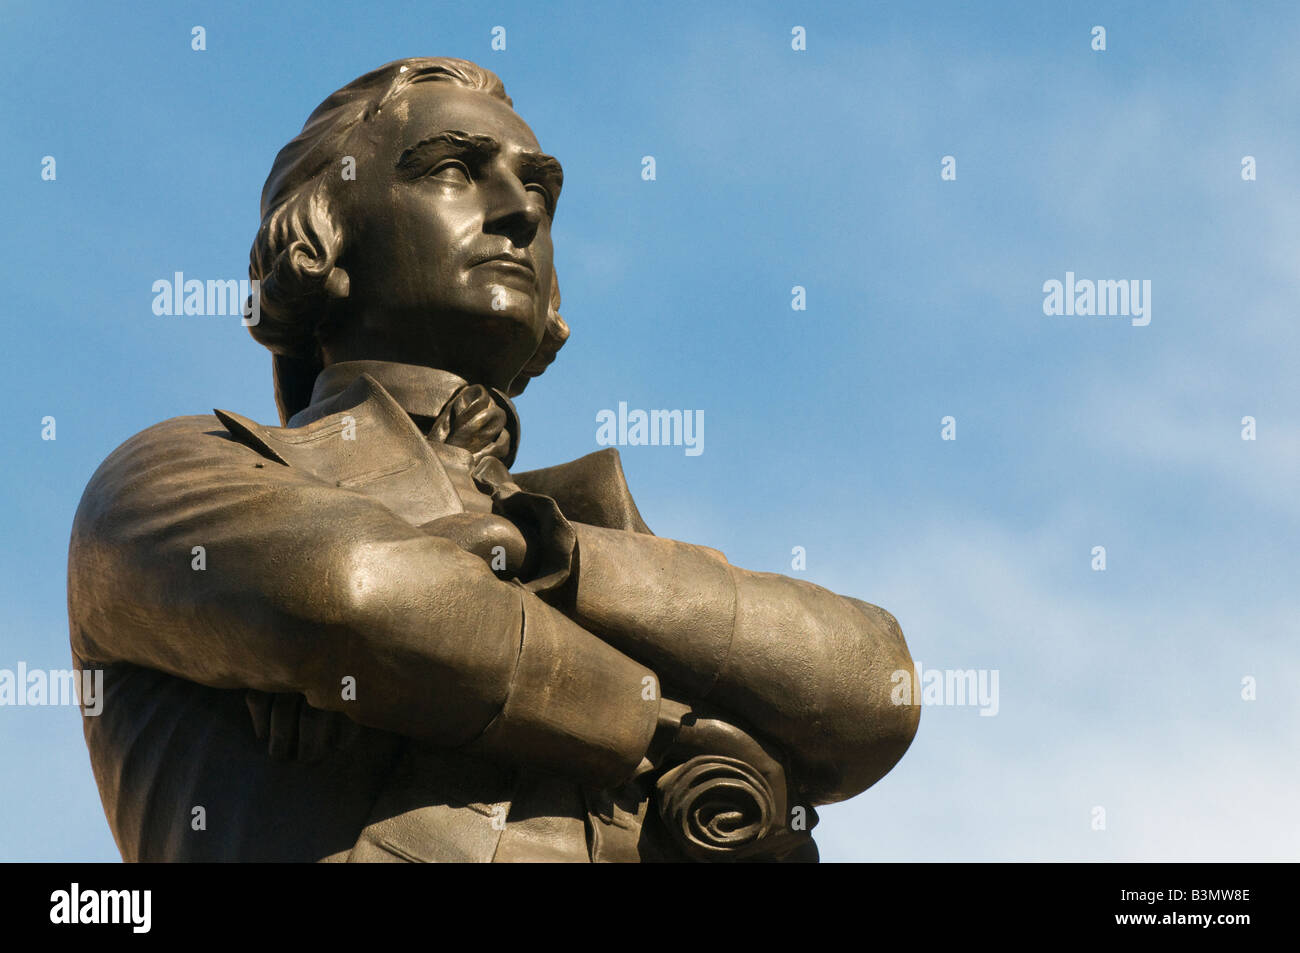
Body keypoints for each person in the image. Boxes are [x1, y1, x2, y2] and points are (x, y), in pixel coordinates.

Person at [67, 57, 919, 862]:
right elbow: (354, 596)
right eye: (450, 169)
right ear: (321, 234)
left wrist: (547, 557)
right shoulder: (181, 474)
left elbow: (873, 685)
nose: (522, 210)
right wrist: (669, 726)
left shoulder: (592, 526)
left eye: (539, 185)